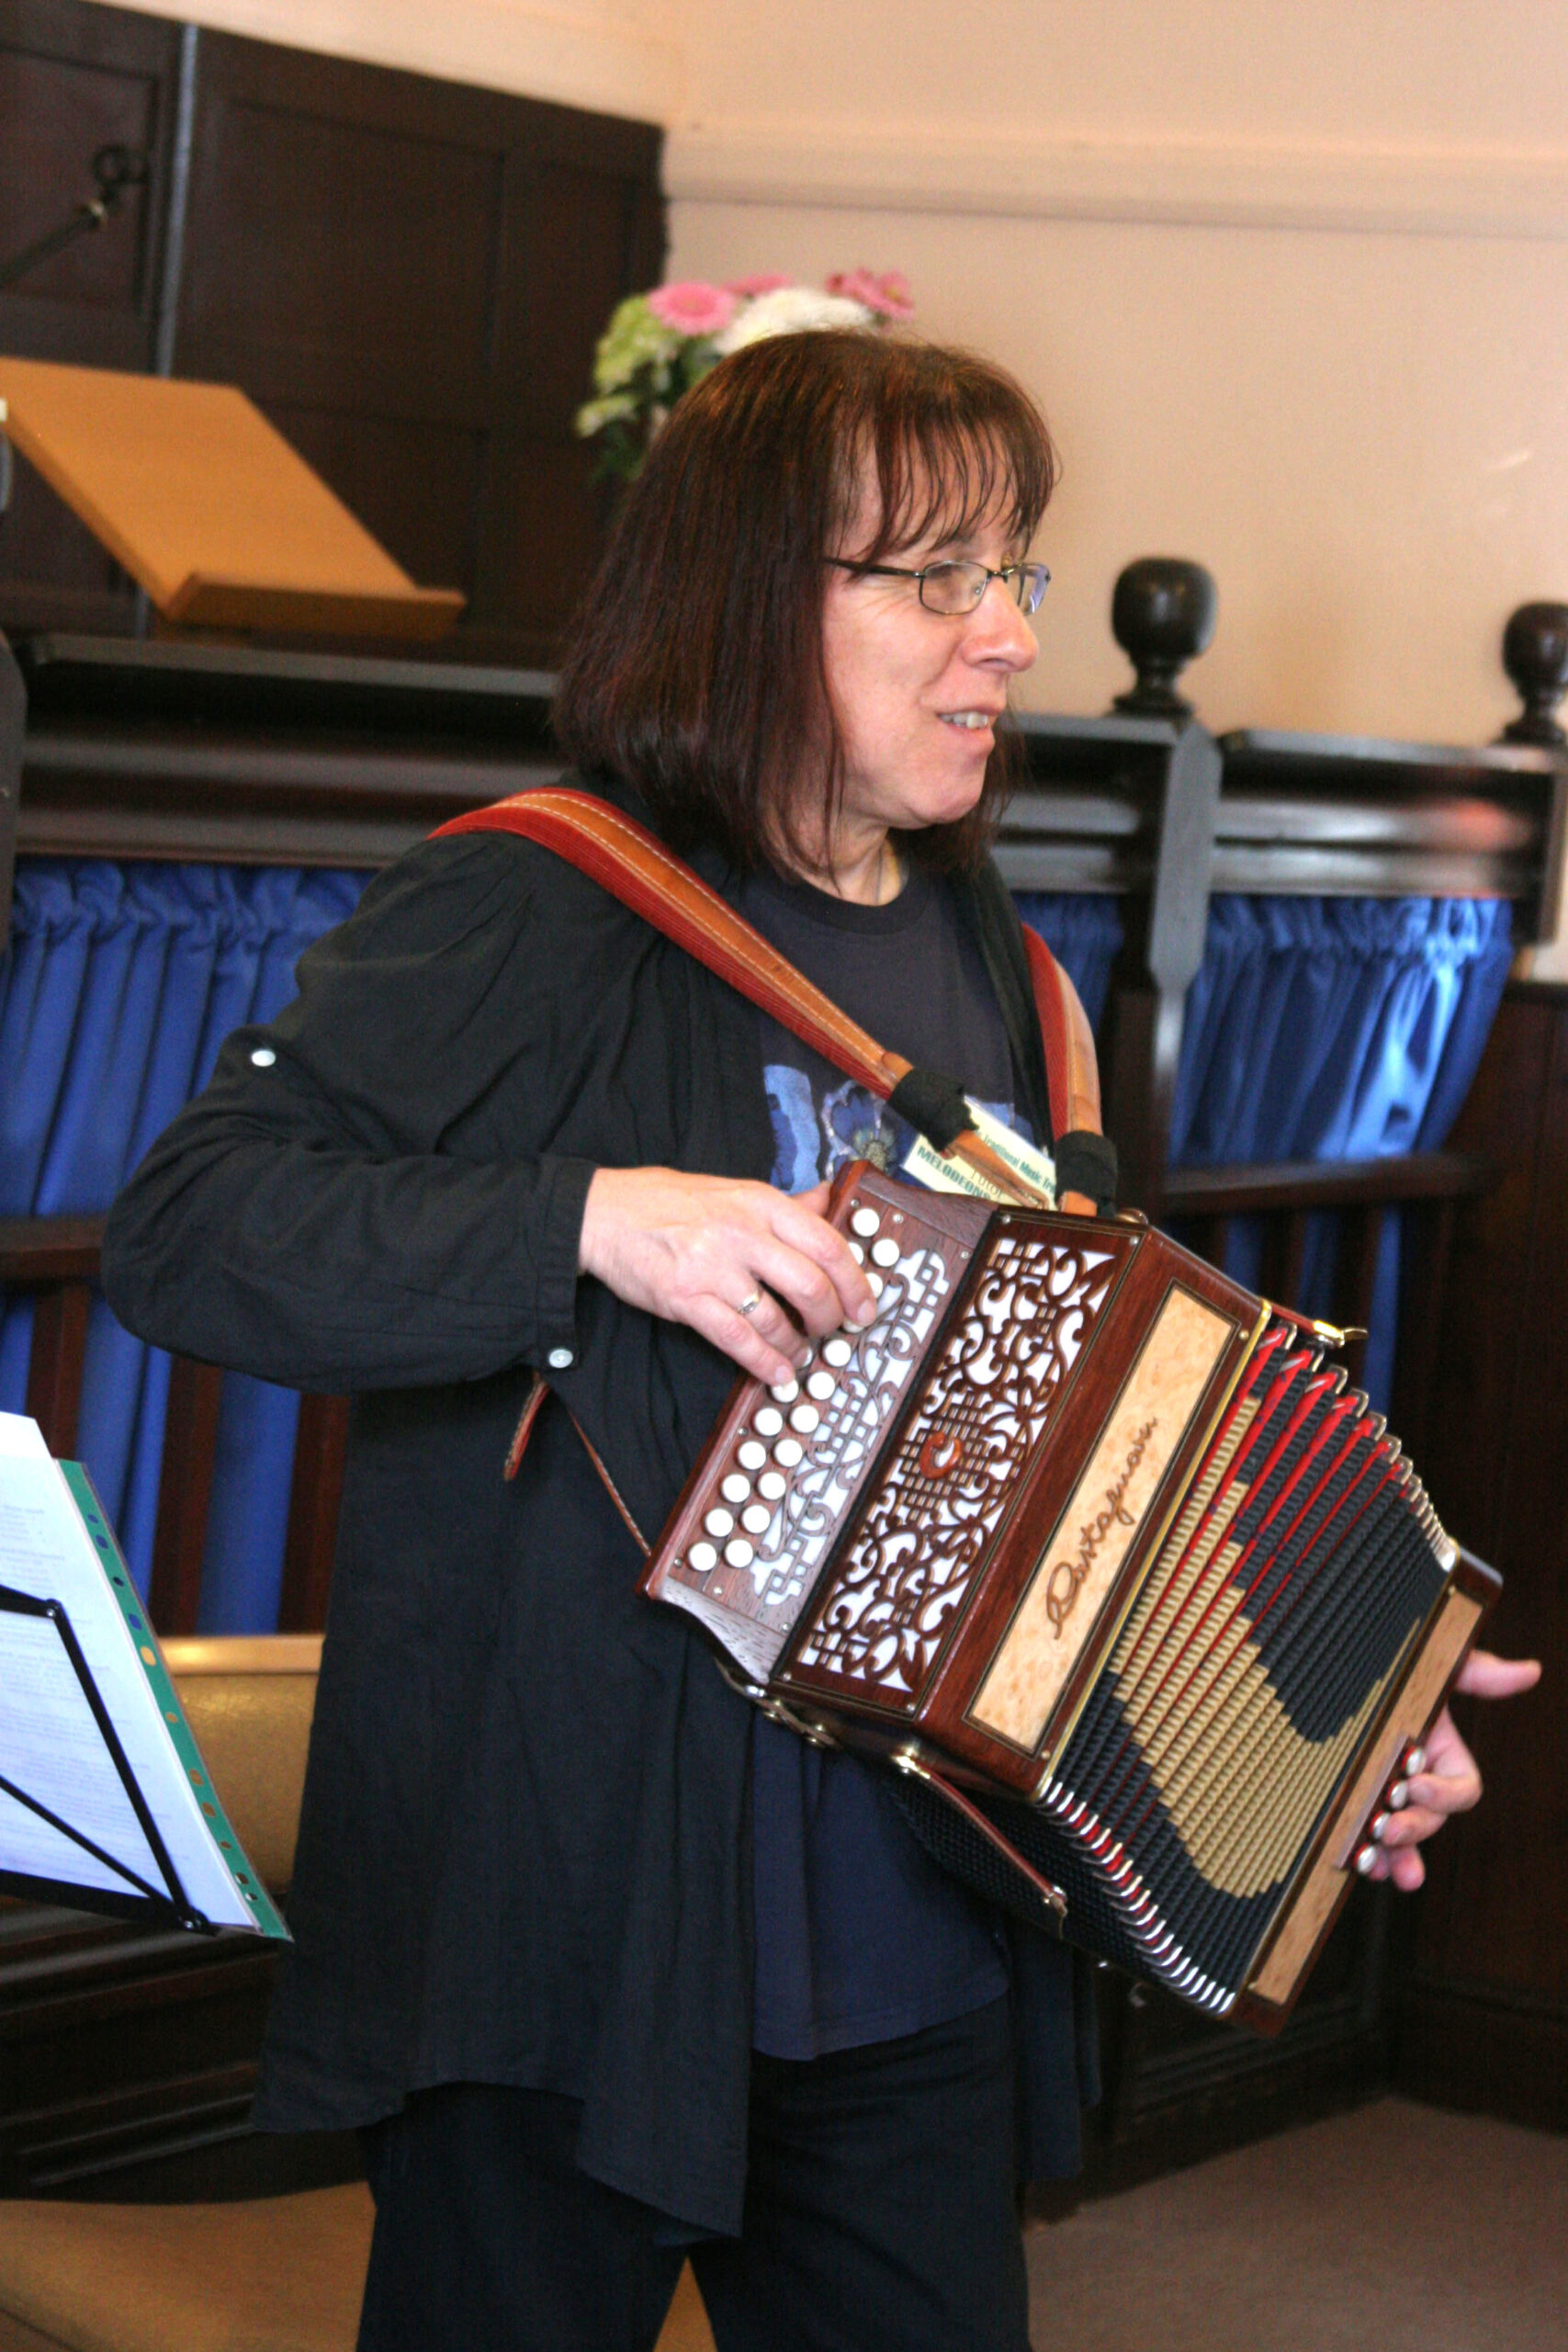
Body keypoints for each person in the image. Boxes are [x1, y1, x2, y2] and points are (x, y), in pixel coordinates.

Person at [101, 330, 1537, 2352]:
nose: (1003, 639)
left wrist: (1345, 1700)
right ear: (756, 595)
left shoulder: (1009, 979)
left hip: (911, 1935)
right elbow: (191, 1225)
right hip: (569, 1920)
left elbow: (1107, 1462)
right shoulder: (535, 903)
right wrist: (594, 1218)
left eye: (1013, 573)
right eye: (935, 577)